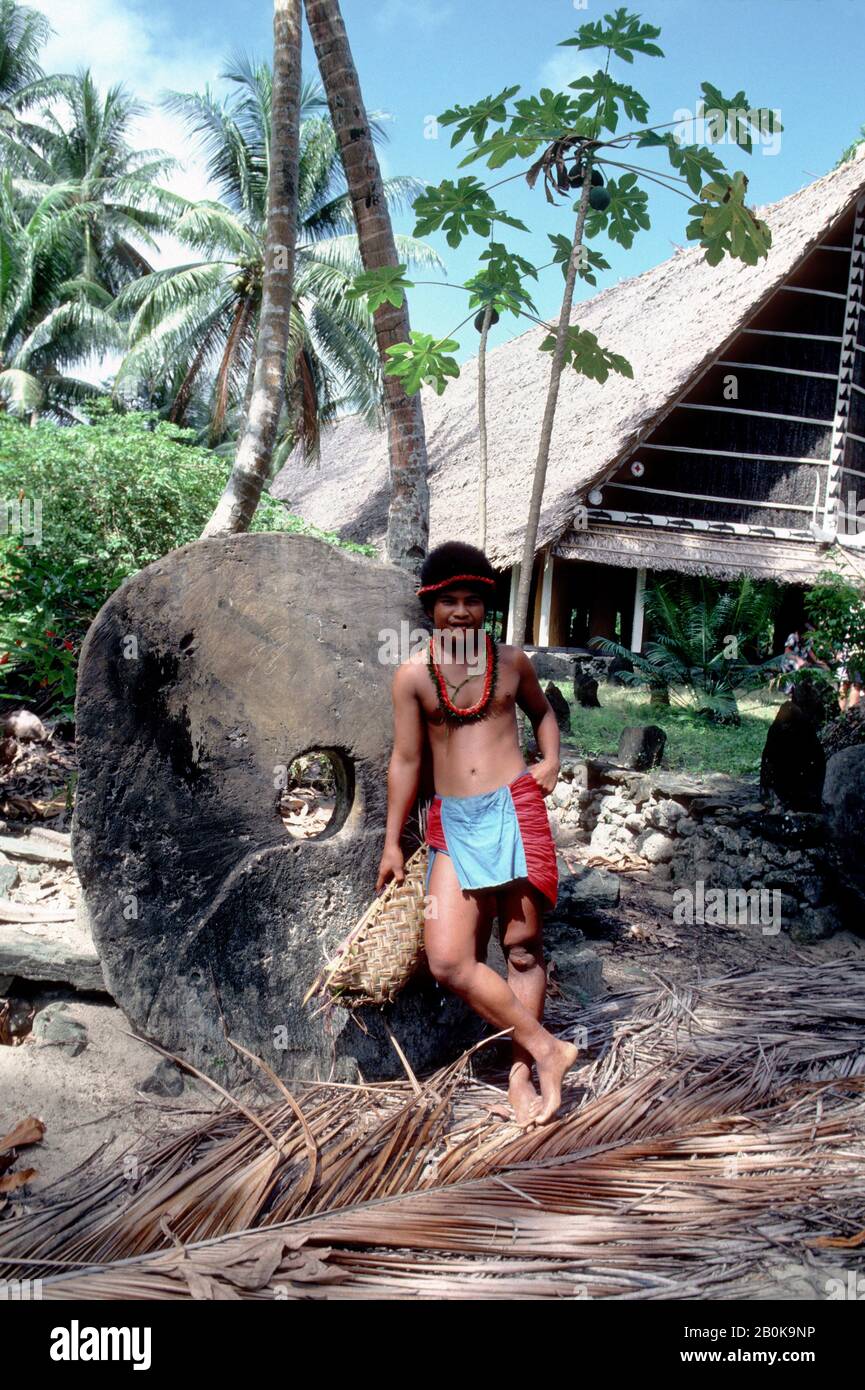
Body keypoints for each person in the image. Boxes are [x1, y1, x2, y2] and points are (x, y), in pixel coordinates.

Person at [376, 541, 579, 1129]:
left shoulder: (512, 662)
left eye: (471, 601)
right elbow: (407, 762)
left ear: (485, 605)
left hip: (516, 810)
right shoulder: (413, 675)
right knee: (448, 960)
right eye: (449, 602)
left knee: (521, 947)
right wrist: (393, 840)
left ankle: (522, 1075)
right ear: (431, 607)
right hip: (453, 824)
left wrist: (551, 760)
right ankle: (548, 1047)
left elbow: (544, 713)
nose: (461, 612)